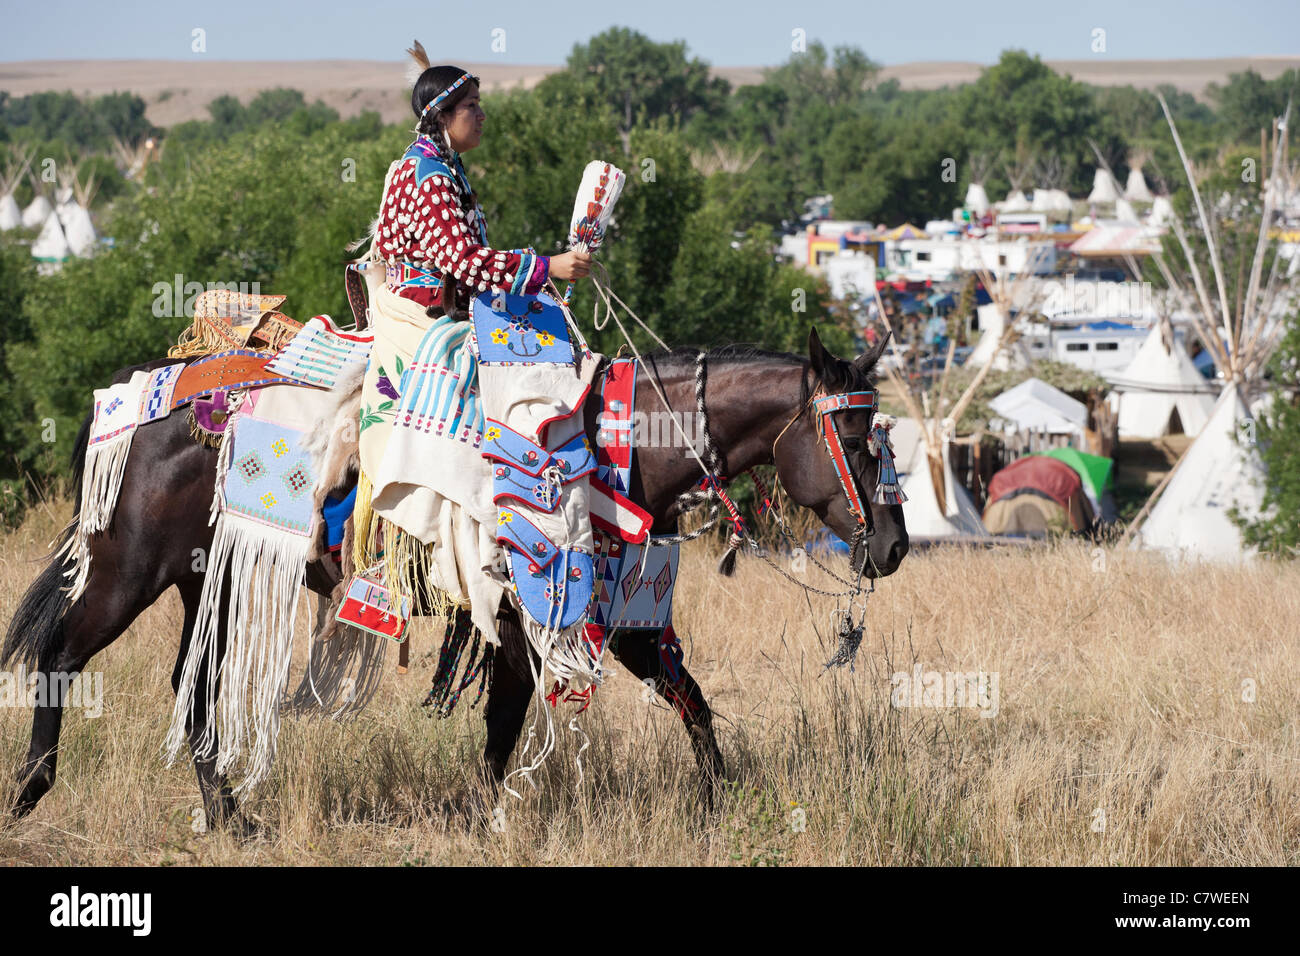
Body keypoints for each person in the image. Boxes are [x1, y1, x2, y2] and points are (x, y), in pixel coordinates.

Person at [374, 58, 591, 316]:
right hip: (422, 311)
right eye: (471, 105)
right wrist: (546, 267)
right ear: (443, 116)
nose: (482, 116)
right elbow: (464, 261)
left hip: (442, 304)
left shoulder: (442, 165)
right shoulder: (430, 175)